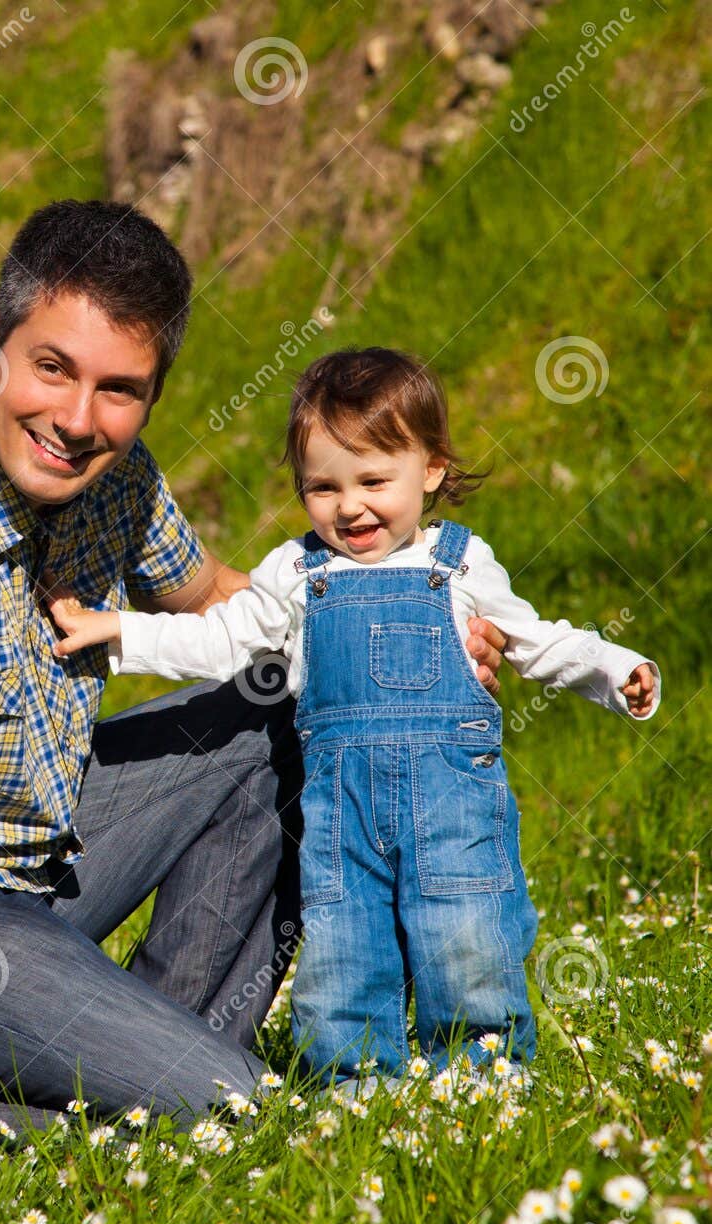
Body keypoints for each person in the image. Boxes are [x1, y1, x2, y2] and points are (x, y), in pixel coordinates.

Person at [0, 204, 508, 1193]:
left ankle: (163, 1062)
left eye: (118, 390)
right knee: (235, 1115)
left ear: (153, 392)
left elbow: (226, 603)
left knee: (273, 708)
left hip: (7, 846)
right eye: (52, 367)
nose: (78, 419)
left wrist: (413, 629)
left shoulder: (108, 478)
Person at [48, 346, 659, 1086]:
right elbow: (221, 638)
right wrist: (123, 633)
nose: (349, 506)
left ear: (430, 469)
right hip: (340, 816)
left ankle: (482, 1075)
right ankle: (355, 1083)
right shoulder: (298, 574)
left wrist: (613, 667)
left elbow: (532, 639)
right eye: (322, 487)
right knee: (342, 950)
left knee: (466, 935)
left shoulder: (461, 565)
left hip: (453, 811)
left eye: (374, 480)